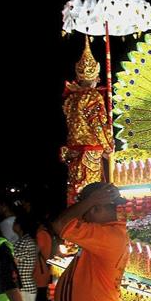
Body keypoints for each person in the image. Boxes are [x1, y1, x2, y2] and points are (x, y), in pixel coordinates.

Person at [62, 37, 114, 205]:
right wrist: (108, 146)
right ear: (96, 76)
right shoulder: (92, 96)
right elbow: (98, 124)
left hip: (74, 154)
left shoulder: (71, 99)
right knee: (92, 195)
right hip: (90, 153)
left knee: (76, 192)